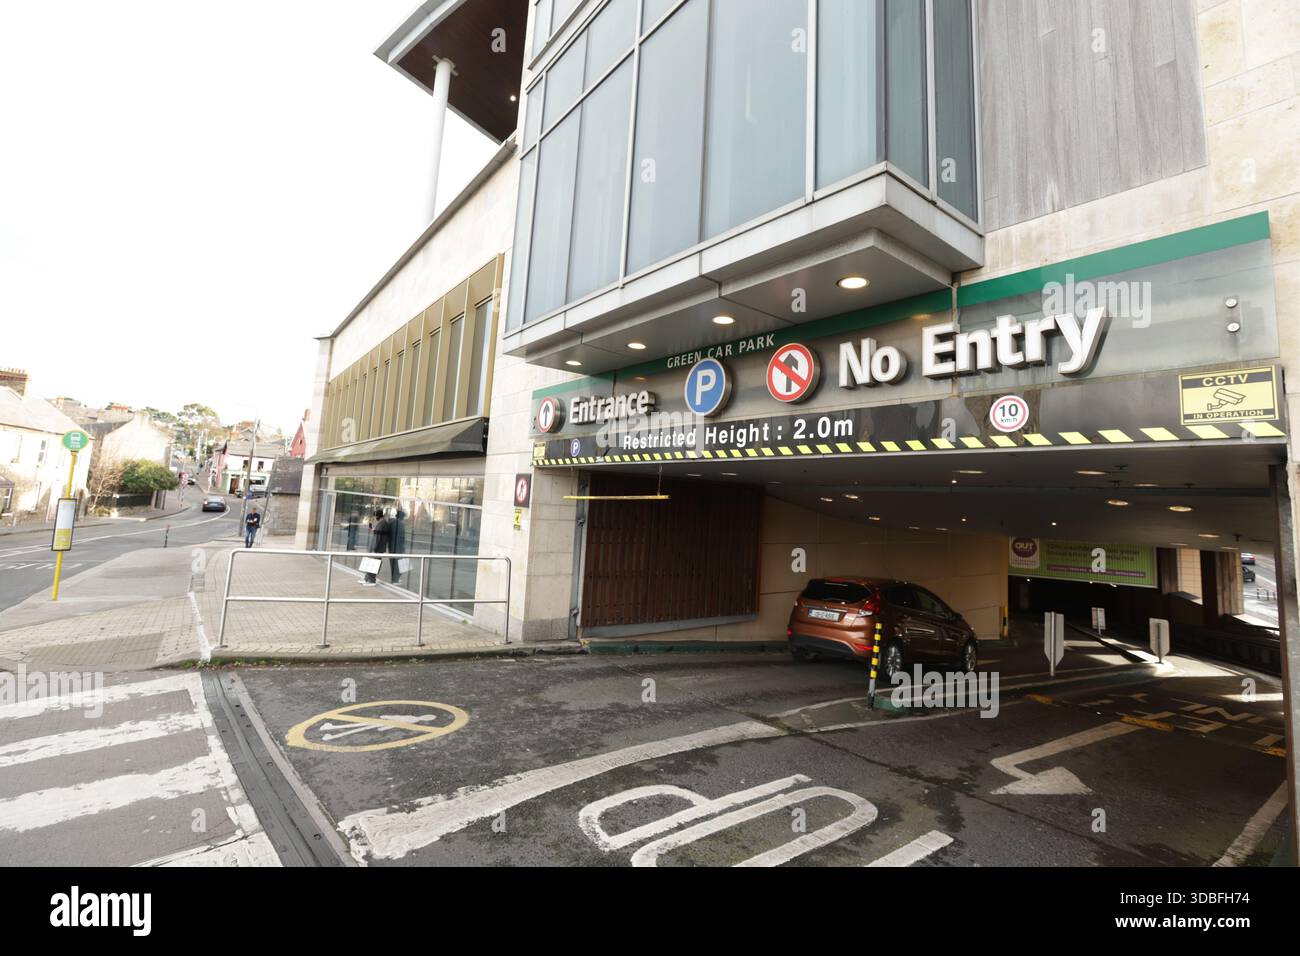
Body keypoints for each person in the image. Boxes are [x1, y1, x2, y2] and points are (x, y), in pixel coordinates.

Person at [363, 507, 390, 586]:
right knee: (372, 562)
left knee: (374, 563)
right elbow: (378, 533)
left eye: (375, 516)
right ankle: (368, 578)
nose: (375, 518)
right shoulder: (382, 523)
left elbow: (379, 537)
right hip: (377, 547)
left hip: (377, 548)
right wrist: (373, 529)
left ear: (378, 516)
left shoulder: (383, 524)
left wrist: (374, 548)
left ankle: (371, 580)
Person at [389, 508, 406, 583]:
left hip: (391, 546)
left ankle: (394, 578)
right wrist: (402, 548)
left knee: (393, 562)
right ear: (401, 517)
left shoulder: (391, 523)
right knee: (398, 563)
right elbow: (402, 538)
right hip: (398, 547)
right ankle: (395, 579)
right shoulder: (401, 525)